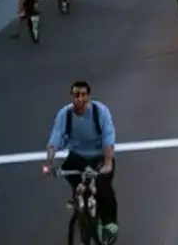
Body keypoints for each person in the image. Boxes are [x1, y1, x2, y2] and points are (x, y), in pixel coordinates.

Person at [43, 80, 119, 244]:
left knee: (103, 189)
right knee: (70, 172)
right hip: (78, 158)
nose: (79, 98)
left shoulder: (100, 112)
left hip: (99, 157)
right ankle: (78, 196)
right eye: (76, 95)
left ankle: (109, 225)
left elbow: (108, 137)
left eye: (83, 95)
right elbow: (55, 138)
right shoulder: (65, 114)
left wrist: (108, 163)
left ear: (88, 96)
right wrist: (49, 162)